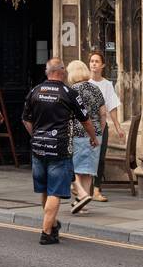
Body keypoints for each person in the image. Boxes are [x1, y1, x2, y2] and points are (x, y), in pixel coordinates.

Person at [22, 57, 98, 245]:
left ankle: (53, 224)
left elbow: (25, 119)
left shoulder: (35, 91)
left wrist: (36, 136)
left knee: (45, 190)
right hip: (59, 149)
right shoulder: (68, 92)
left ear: (47, 72)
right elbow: (85, 119)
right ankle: (46, 232)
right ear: (62, 71)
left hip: (38, 149)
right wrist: (93, 137)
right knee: (55, 192)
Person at [67, 59, 106, 204]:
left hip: (77, 133)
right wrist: (99, 132)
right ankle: (81, 204)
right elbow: (103, 114)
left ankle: (81, 196)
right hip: (95, 135)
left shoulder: (71, 91)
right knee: (88, 171)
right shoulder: (96, 89)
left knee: (75, 168)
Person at [88, 50, 125, 201]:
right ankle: (81, 187)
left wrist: (118, 126)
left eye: (97, 61)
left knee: (100, 158)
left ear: (102, 65)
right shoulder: (84, 83)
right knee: (86, 157)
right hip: (86, 126)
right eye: (91, 61)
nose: (94, 64)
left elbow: (112, 107)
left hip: (102, 127)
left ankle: (96, 190)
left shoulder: (107, 84)